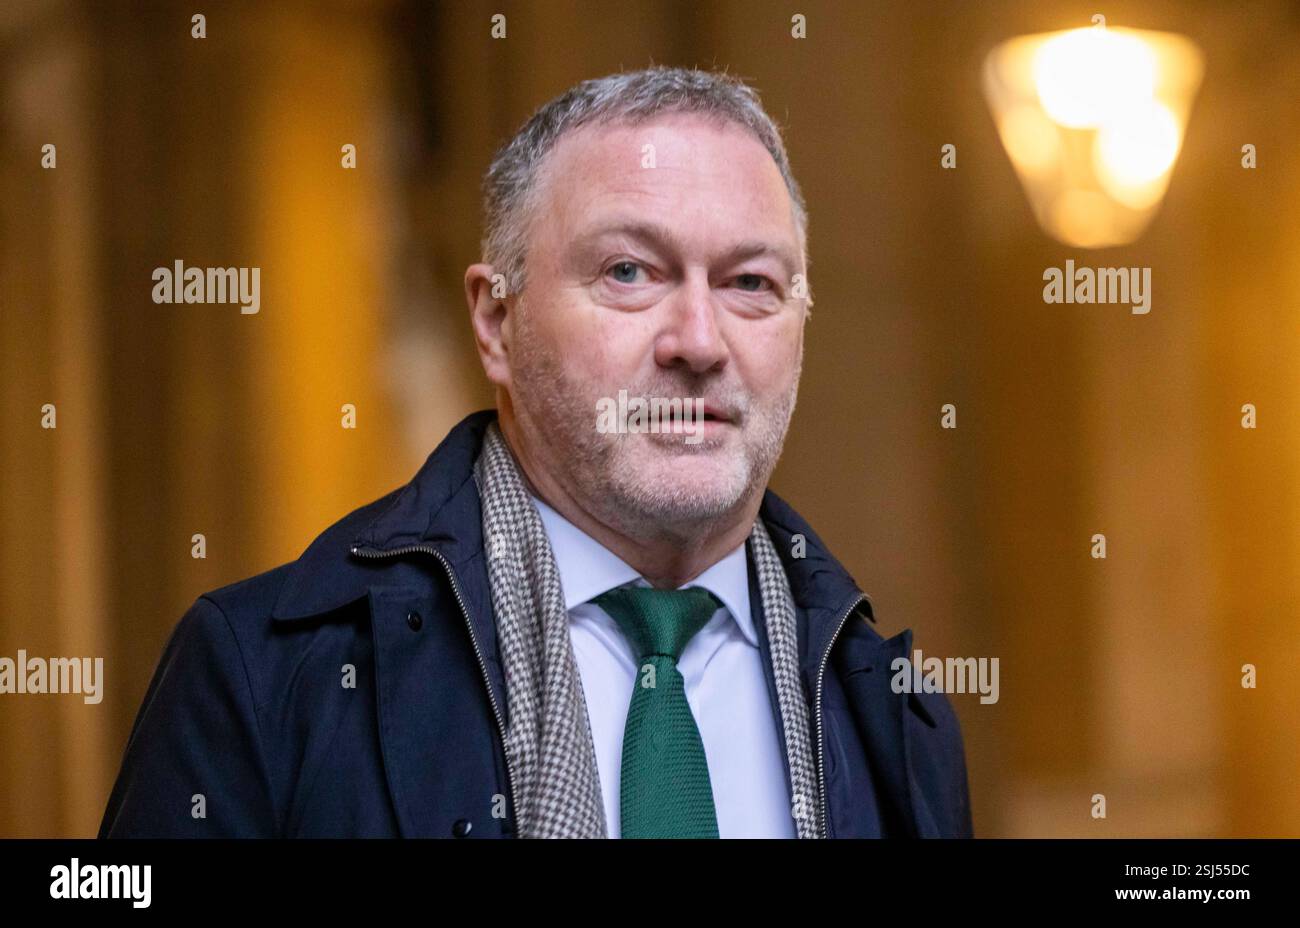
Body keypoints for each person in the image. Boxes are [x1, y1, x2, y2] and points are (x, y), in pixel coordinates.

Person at [100, 65, 973, 839]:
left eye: (751, 283)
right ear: (495, 321)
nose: (699, 340)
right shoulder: (266, 676)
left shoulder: (892, 711)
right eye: (630, 272)